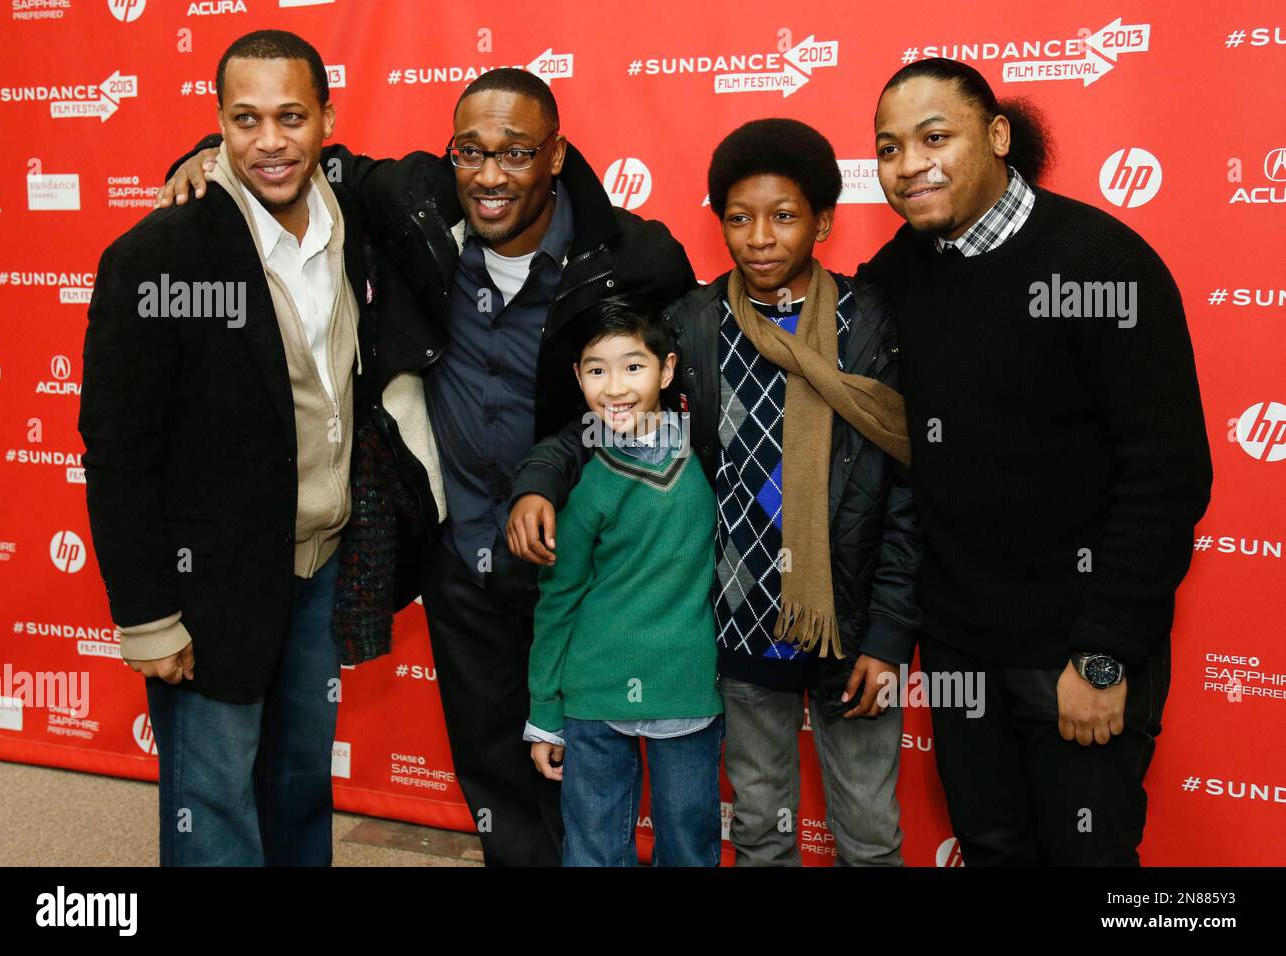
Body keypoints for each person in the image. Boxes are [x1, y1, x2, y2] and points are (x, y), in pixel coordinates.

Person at [160, 67, 697, 866]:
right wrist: (209, 151)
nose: (488, 175)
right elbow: (313, 158)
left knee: (590, 763)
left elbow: (663, 395)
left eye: (515, 153)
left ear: (555, 155)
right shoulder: (419, 206)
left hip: (588, 559)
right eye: (469, 151)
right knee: (493, 767)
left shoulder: (635, 256)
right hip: (464, 554)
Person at [510, 119, 921, 866]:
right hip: (737, 629)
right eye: (738, 218)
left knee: (869, 833)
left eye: (783, 216)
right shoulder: (694, 325)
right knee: (759, 828)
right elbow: (603, 421)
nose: (759, 238)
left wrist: (889, 637)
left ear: (824, 221)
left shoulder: (869, 322)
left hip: (849, 624)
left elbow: (902, 492)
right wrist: (538, 481)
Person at [80, 29, 442, 866]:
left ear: (327, 121)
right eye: (245, 120)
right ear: (217, 125)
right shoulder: (160, 257)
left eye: (291, 117)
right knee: (213, 807)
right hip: (207, 583)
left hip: (323, 569)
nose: (269, 141)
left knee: (299, 789)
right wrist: (147, 619)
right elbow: (119, 453)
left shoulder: (357, 226)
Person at [861, 57, 1213, 865]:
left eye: (934, 138)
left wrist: (1103, 654)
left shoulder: (1103, 264)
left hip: (1077, 647)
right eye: (888, 148)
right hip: (959, 652)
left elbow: (1167, 476)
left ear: (996, 136)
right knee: (989, 850)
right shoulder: (897, 275)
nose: (909, 165)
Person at [525, 298, 724, 867]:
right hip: (594, 694)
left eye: (633, 367)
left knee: (688, 848)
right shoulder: (583, 479)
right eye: (597, 370)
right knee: (593, 849)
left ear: (666, 369)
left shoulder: (708, 454)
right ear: (577, 378)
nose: (615, 388)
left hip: (686, 688)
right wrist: (544, 712)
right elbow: (558, 598)